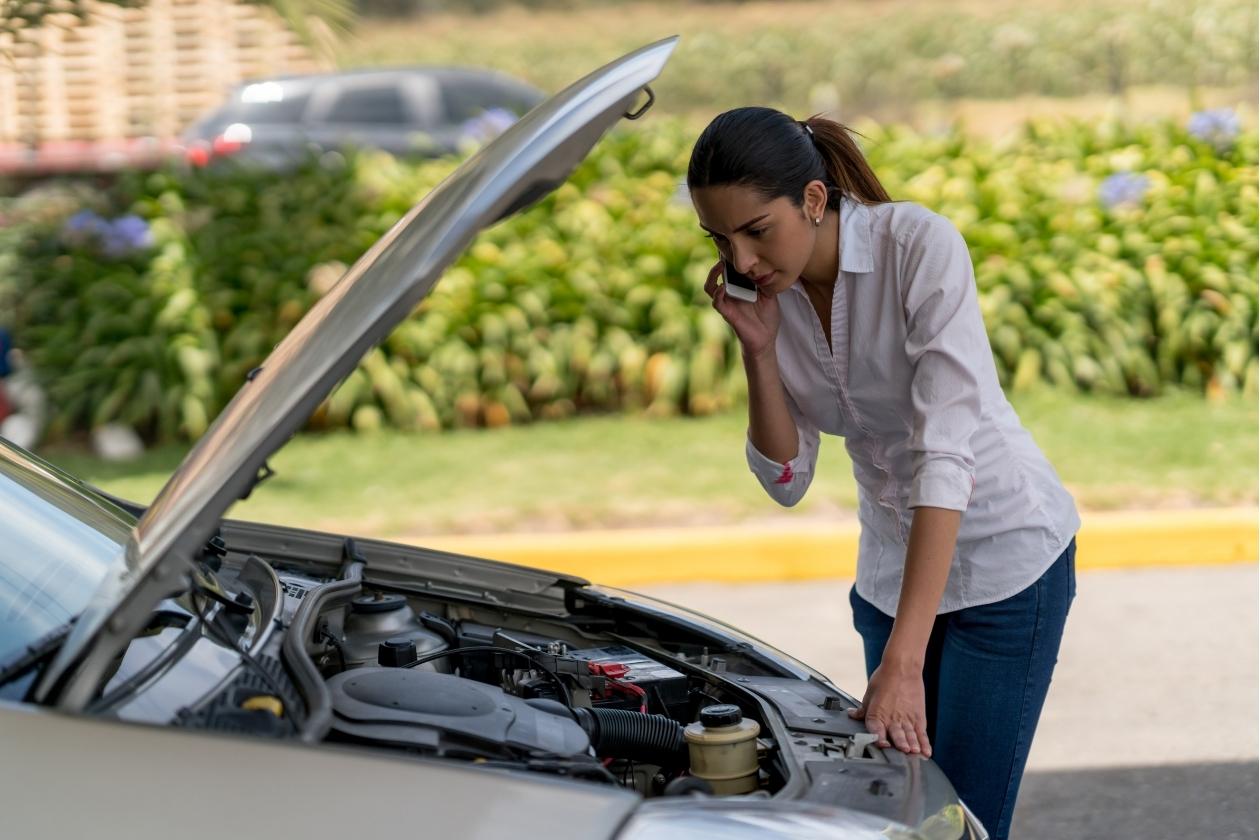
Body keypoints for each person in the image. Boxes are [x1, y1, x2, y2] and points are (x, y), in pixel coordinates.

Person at [687, 106, 1079, 840]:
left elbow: (945, 456)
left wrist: (902, 661)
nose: (741, 262)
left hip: (1006, 564)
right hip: (889, 579)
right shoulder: (770, 298)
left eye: (756, 230)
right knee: (901, 821)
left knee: (960, 824)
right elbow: (785, 481)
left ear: (811, 199)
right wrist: (759, 351)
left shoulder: (918, 246)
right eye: (720, 239)